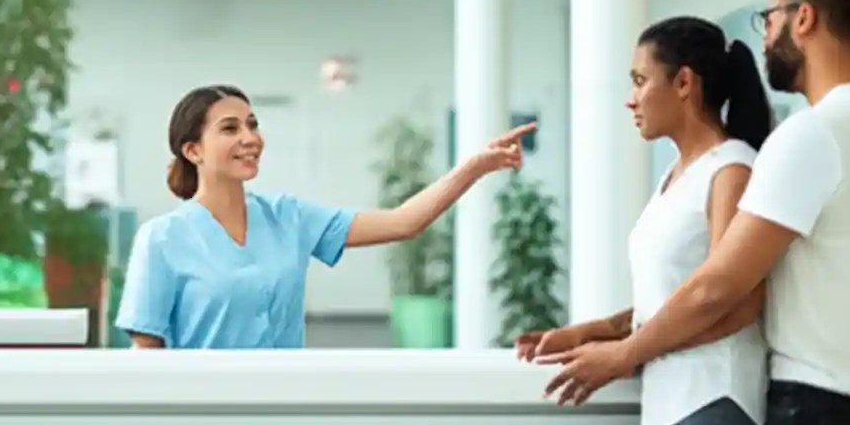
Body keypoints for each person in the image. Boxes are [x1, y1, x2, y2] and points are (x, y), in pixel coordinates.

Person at [536, 0, 850, 425]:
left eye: (769, 20)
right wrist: (608, 329)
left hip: (824, 405)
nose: (765, 37)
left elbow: (721, 286)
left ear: (804, 17)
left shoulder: (810, 135)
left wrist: (623, 353)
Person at [517, 16, 773, 425]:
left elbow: (737, 302)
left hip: (712, 399)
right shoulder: (678, 175)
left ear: (683, 83)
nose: (629, 98)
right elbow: (674, 294)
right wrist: (592, 332)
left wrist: (625, 355)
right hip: (664, 406)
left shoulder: (733, 171)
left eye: (639, 80)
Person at [115, 84, 535, 349]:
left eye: (252, 124)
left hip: (288, 412)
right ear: (193, 150)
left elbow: (404, 221)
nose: (250, 138)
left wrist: (475, 166)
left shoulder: (288, 217)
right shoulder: (161, 239)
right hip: (204, 420)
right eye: (230, 128)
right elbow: (146, 352)